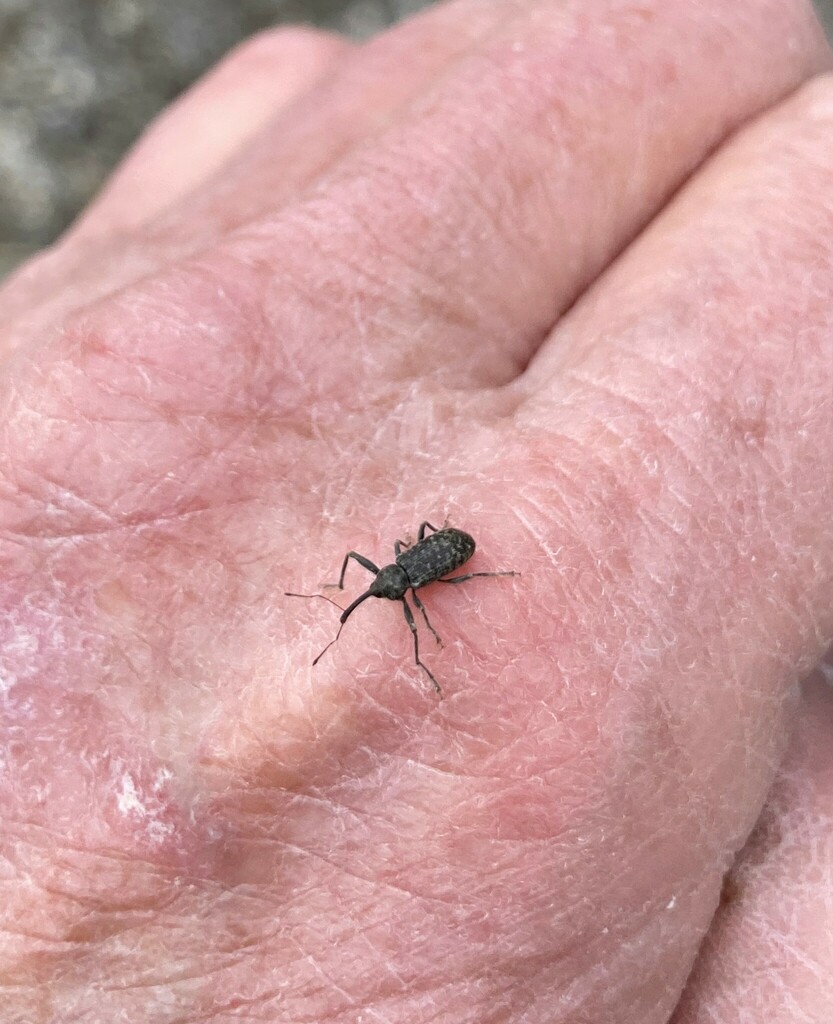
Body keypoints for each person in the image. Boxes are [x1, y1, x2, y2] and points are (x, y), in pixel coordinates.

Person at [0, 0, 831, 1019]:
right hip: (438, 542)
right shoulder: (388, 584)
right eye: (391, 586)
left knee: (459, 576)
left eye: (390, 584)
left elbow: (440, 561)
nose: (392, 589)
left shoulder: (423, 577)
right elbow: (383, 581)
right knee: (397, 591)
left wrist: (434, 584)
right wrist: (355, 603)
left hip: (457, 541)